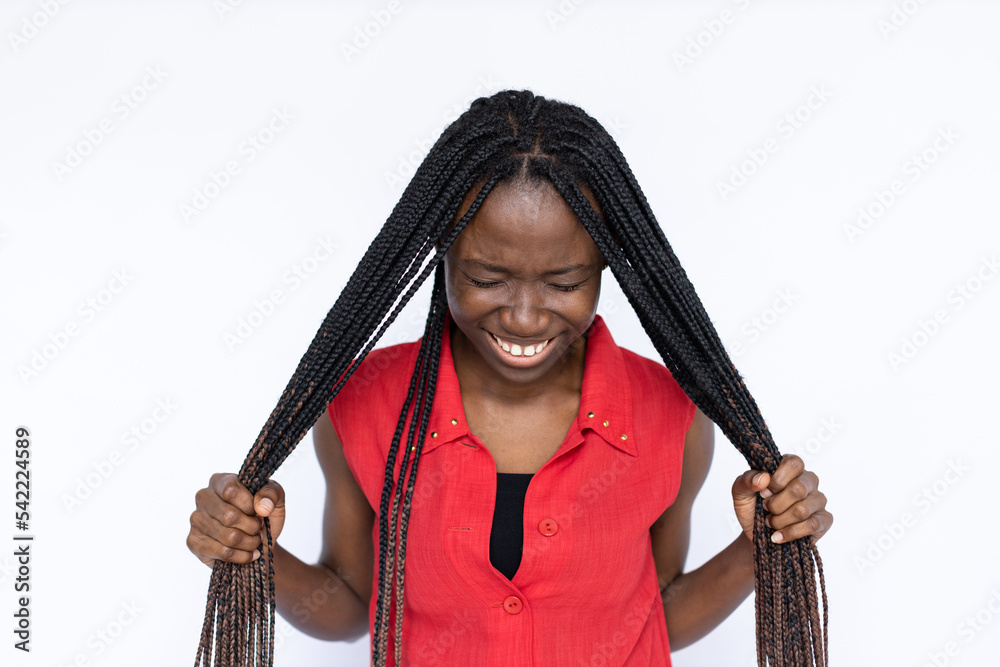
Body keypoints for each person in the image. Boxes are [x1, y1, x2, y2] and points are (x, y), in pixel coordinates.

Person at [187, 90, 832, 666]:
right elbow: (354, 607)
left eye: (564, 282)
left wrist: (765, 546)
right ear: (438, 253)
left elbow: (654, 616)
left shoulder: (672, 415)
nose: (524, 317)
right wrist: (254, 556)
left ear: (611, 266)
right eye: (487, 279)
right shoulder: (361, 403)